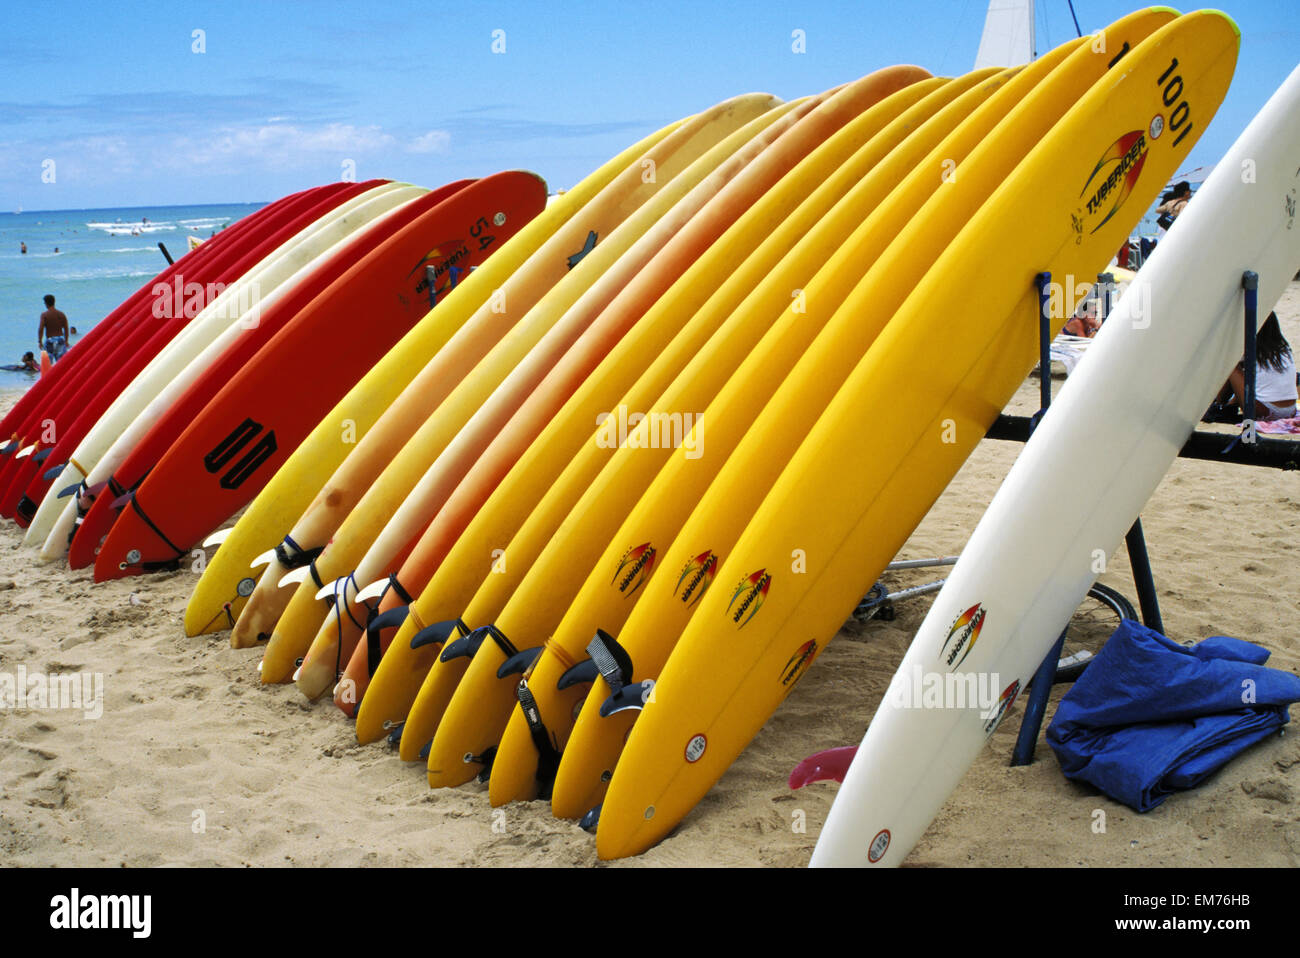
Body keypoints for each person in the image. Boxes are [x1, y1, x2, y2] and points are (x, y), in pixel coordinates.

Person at [1206, 312, 1297, 422]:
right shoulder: (1283, 350)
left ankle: (1218, 405)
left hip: (1265, 412)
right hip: (1290, 411)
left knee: (1231, 365)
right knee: (1248, 378)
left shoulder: (1250, 350)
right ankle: (1226, 405)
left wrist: (1221, 399)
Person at [38, 293, 69, 362]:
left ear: (46, 303)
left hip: (50, 340)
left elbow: (41, 329)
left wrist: (40, 341)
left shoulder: (44, 315)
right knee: (61, 363)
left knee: (48, 364)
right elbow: (66, 328)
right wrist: (66, 341)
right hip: (60, 339)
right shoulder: (61, 314)